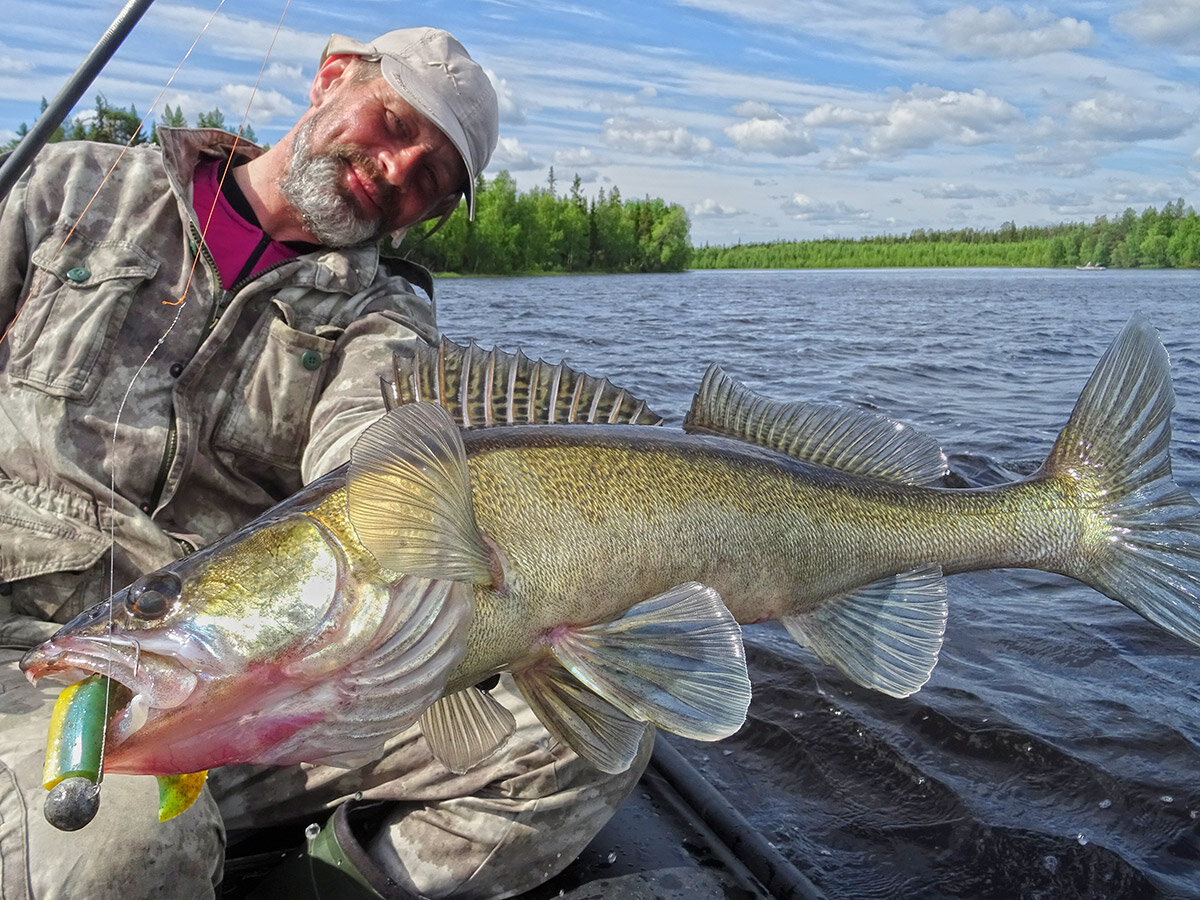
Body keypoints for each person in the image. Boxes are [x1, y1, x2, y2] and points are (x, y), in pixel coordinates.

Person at [0, 27, 653, 899]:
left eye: (430, 179)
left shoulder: (387, 324)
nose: (396, 170)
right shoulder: (69, 185)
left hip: (251, 676)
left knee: (594, 720)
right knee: (130, 840)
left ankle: (323, 886)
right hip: (28, 663)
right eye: (393, 123)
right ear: (331, 78)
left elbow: (368, 460)